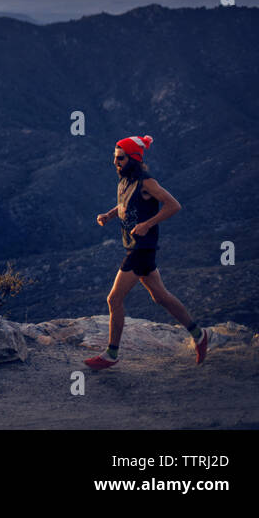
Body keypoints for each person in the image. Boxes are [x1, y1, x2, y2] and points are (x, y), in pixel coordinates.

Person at [84, 135, 209, 370]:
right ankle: (200, 335)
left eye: (120, 158)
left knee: (114, 299)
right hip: (134, 245)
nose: (115, 162)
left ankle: (111, 354)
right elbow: (125, 204)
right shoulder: (125, 180)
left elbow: (174, 205)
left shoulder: (146, 182)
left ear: (133, 158)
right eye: (114, 157)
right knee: (160, 297)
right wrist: (109, 215)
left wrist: (147, 224)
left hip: (142, 248)